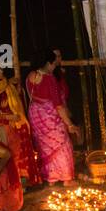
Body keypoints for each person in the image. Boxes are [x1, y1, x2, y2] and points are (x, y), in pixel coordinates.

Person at [25, 49, 79, 185]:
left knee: (45, 146)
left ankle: (51, 179)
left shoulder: (30, 76)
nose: (55, 66)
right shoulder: (49, 79)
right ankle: (66, 178)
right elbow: (58, 106)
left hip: (35, 114)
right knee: (62, 144)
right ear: (49, 63)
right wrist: (69, 124)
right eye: (54, 63)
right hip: (49, 116)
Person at [0, 55, 38, 184]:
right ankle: (13, 179)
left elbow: (11, 95)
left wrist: (13, 87)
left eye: (1, 68)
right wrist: (8, 117)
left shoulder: (4, 83)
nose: (1, 71)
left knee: (23, 128)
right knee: (13, 142)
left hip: (13, 118)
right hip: (0, 122)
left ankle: (24, 178)